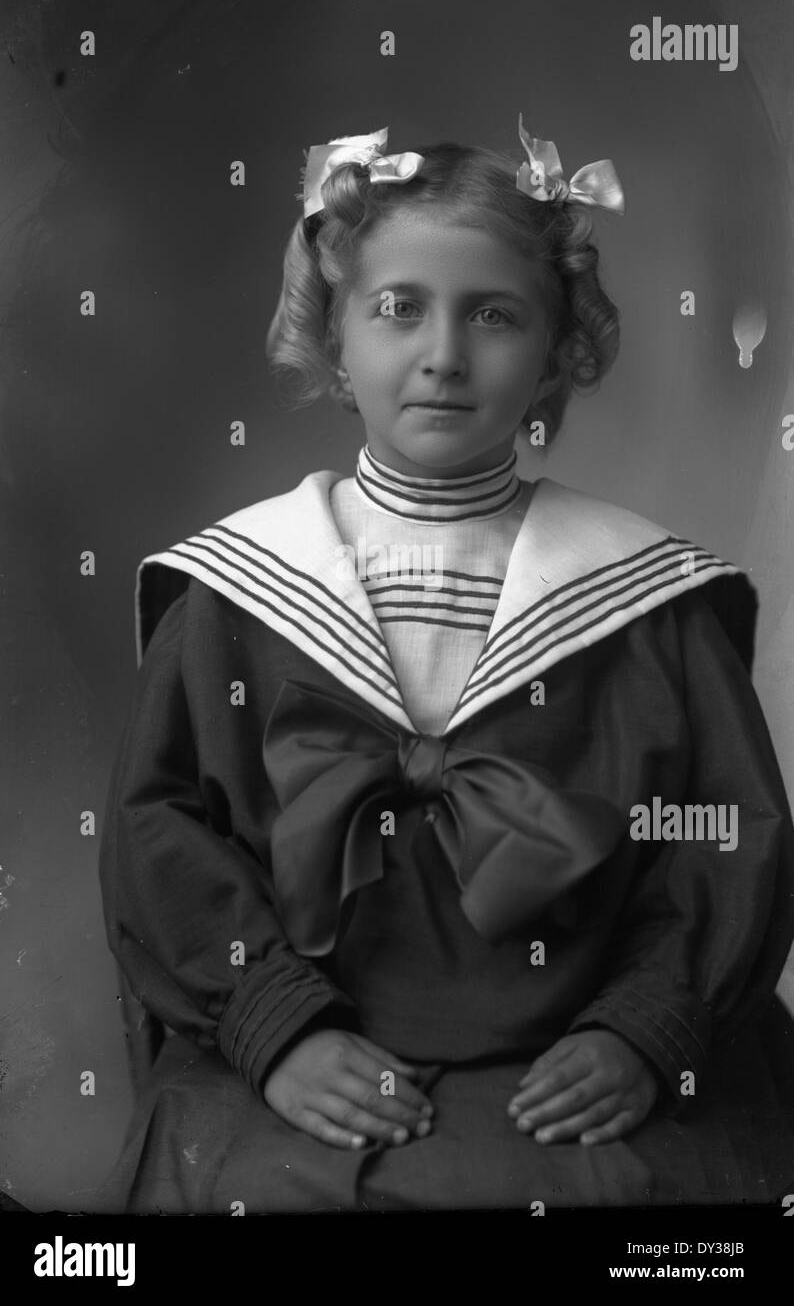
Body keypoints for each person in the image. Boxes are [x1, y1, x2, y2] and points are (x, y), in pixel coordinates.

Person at [97, 115, 794, 1213]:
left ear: (560, 348)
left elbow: (724, 828)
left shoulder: (645, 598)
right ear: (335, 336)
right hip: (313, 1042)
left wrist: (648, 1028)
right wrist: (273, 1026)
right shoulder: (236, 588)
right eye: (398, 309)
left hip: (580, 1043)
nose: (444, 355)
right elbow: (160, 830)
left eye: (496, 316)